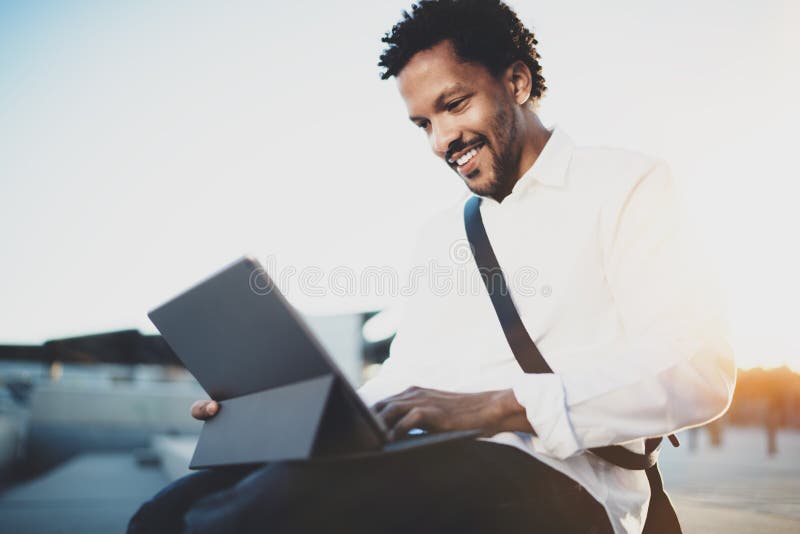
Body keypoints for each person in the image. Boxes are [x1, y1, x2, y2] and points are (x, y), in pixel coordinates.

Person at [129, 1, 736, 533]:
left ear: (517, 82)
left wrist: (500, 405)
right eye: (424, 123)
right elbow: (408, 377)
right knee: (165, 514)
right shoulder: (441, 234)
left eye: (454, 104)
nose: (442, 140)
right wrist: (283, 415)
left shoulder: (628, 183)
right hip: (425, 460)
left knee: (264, 513)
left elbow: (697, 368)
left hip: (567, 483)